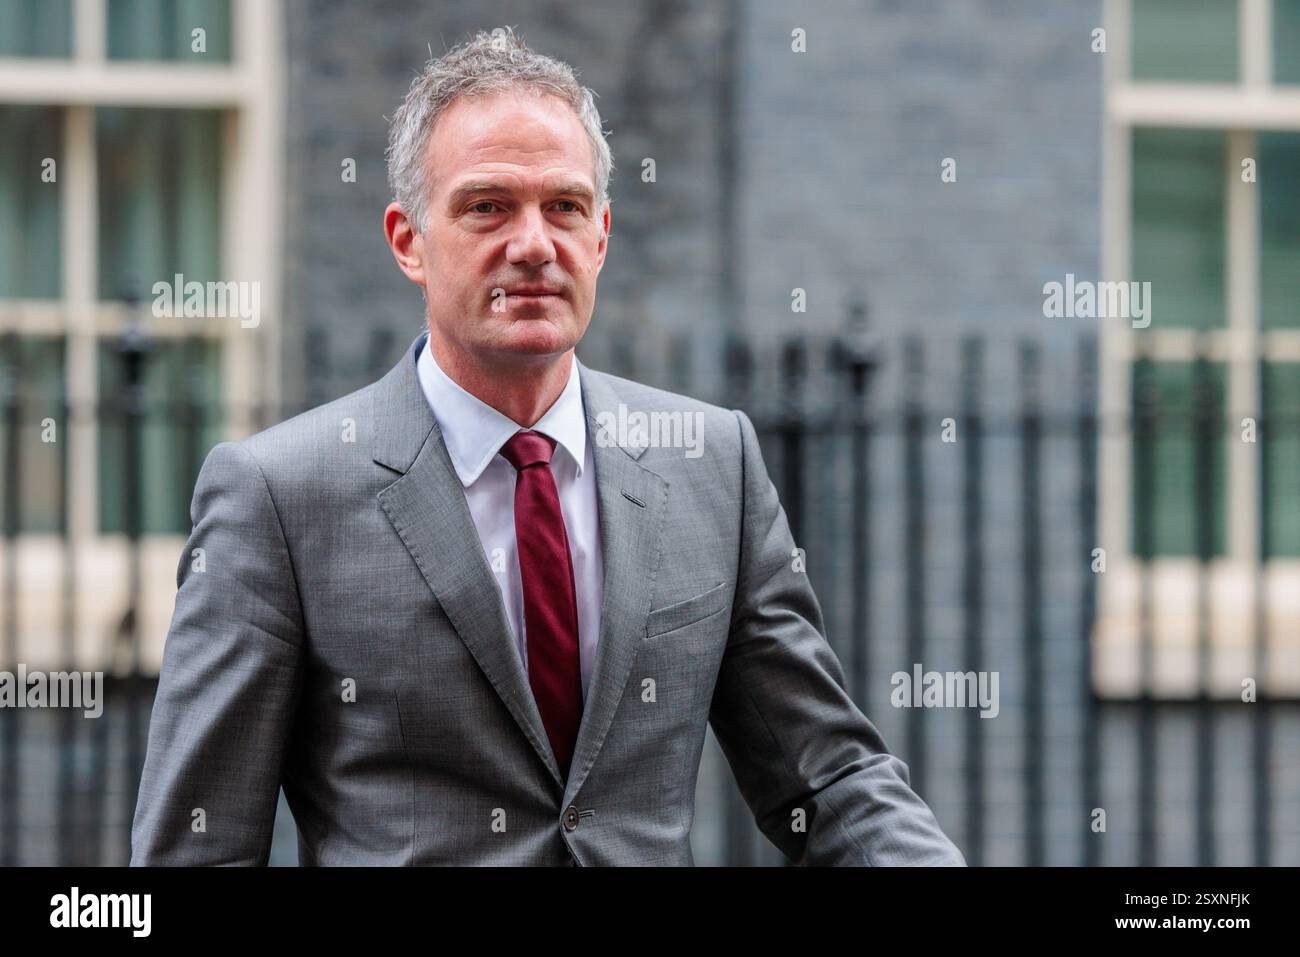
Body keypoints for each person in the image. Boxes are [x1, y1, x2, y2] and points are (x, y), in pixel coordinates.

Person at [131, 26, 965, 866]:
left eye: (564, 206)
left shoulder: (713, 465)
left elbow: (828, 781)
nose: (534, 244)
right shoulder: (277, 497)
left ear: (600, 235)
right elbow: (197, 845)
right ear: (408, 241)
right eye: (487, 205)